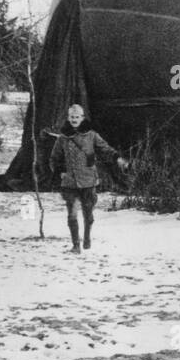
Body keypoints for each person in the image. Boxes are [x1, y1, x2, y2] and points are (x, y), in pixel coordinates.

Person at [49, 104, 126, 253]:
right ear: (68, 118)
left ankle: (87, 237)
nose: (74, 119)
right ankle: (76, 245)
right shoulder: (63, 138)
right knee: (72, 214)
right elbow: (54, 158)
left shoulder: (92, 135)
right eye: (72, 117)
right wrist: (60, 171)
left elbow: (105, 148)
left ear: (82, 118)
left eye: (77, 117)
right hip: (70, 183)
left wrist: (117, 158)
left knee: (88, 214)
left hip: (88, 181)